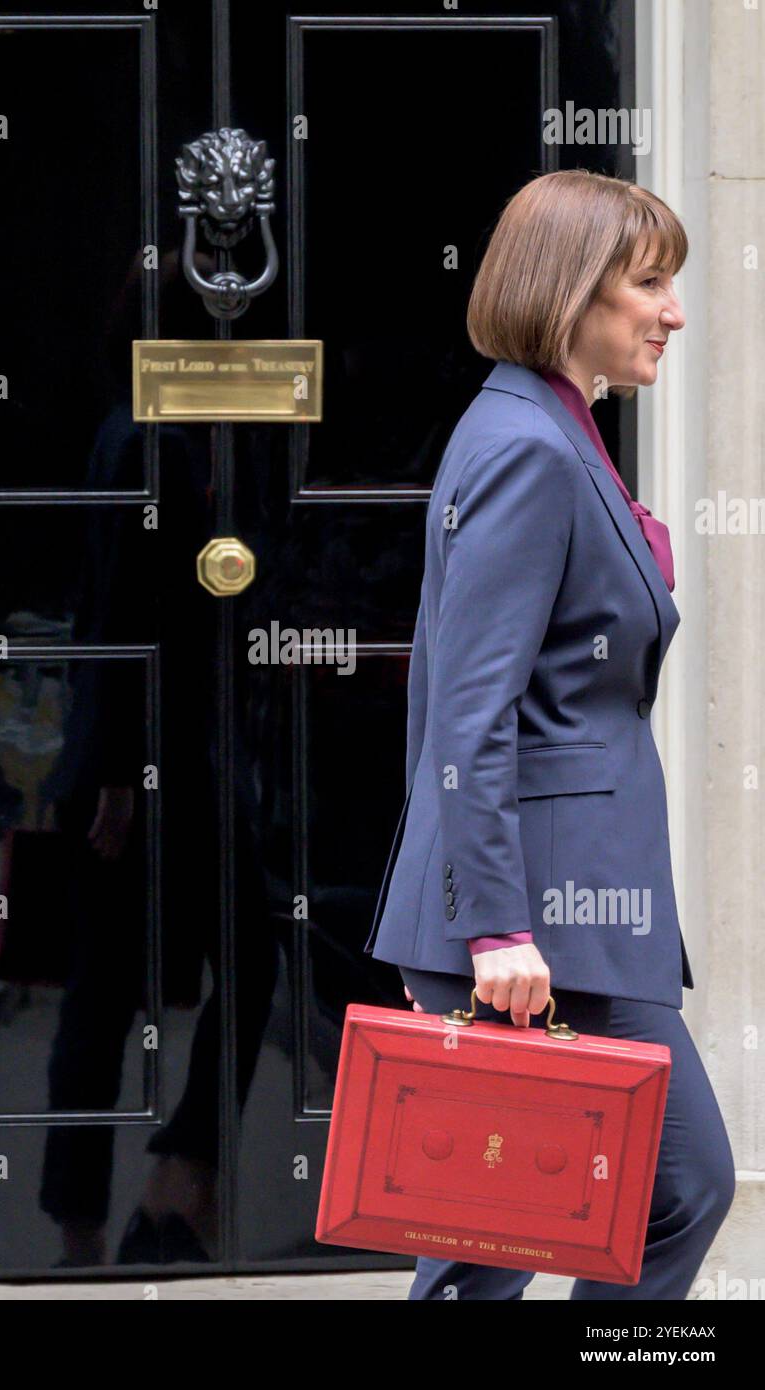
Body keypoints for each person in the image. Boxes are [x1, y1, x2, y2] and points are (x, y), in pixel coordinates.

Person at [363, 169, 735, 1300]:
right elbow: (468, 713)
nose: (674, 311)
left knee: (539, 1227)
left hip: (568, 919)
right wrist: (496, 933)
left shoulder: (549, 428)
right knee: (620, 1202)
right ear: (573, 290)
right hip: (537, 931)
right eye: (651, 282)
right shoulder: (530, 446)